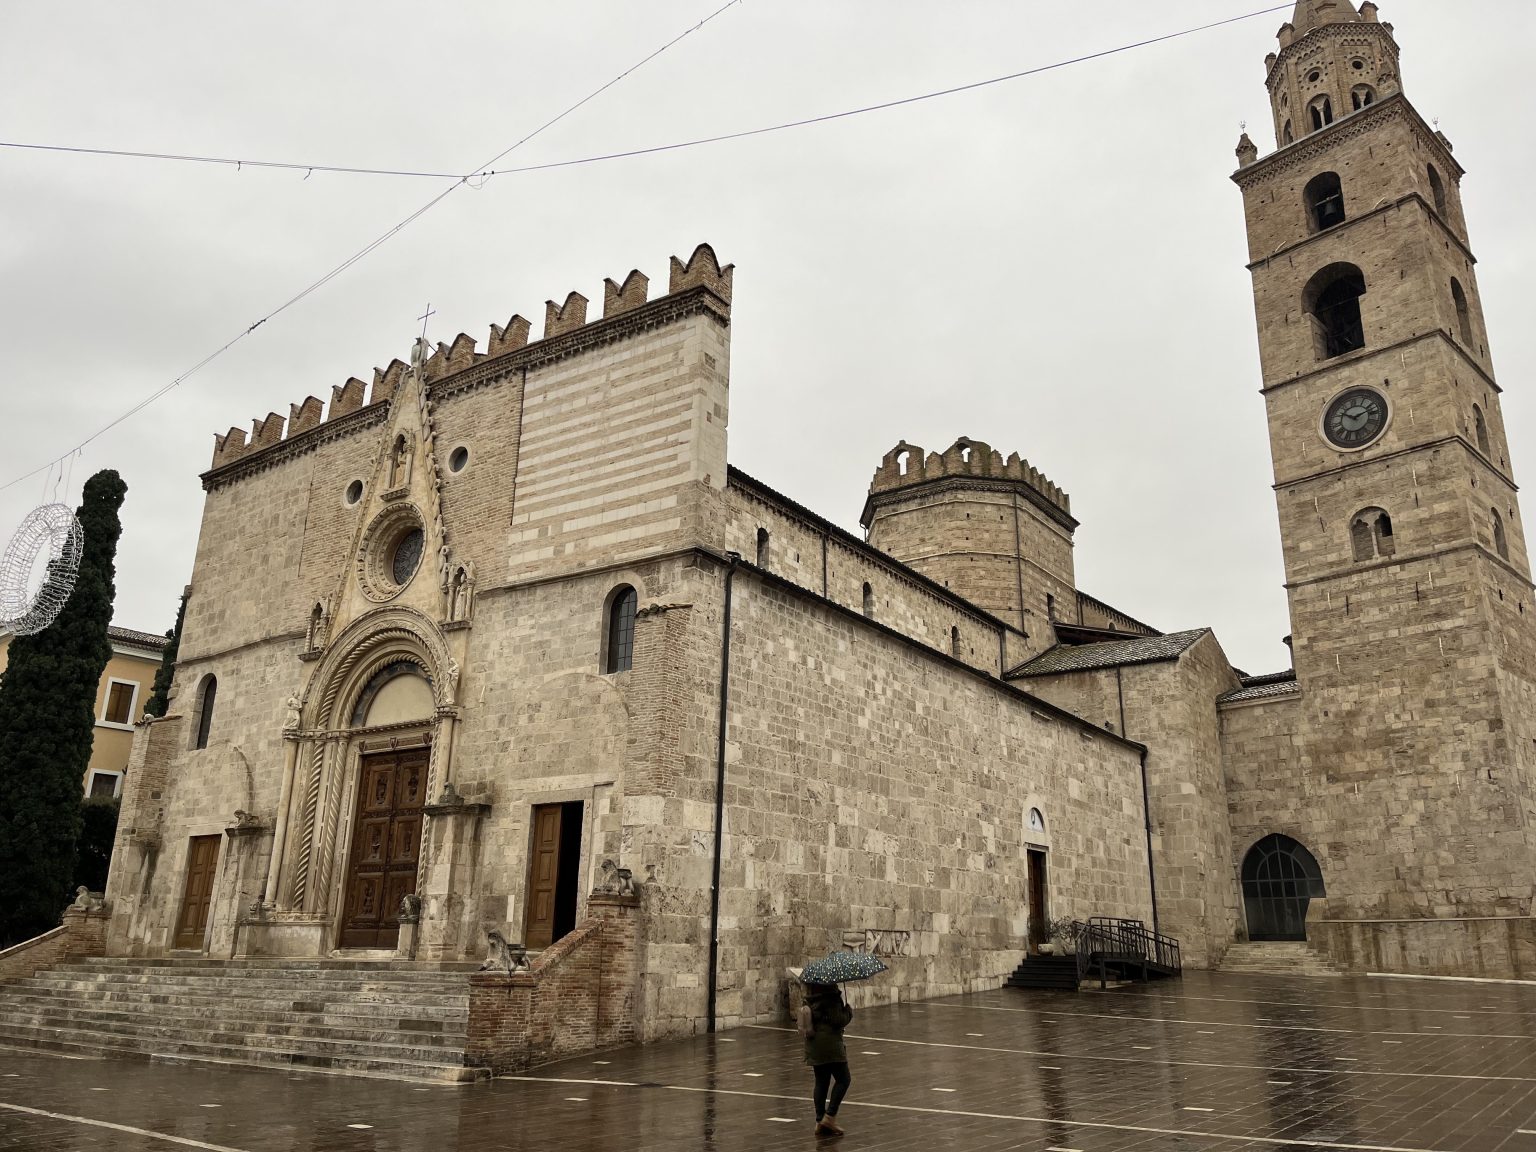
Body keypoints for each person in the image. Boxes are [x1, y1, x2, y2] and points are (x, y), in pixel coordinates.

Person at [802, 982, 854, 1136]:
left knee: (821, 1082)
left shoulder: (810, 997)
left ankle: (819, 1120)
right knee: (844, 1079)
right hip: (831, 1045)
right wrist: (848, 1011)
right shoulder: (831, 998)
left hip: (814, 1045)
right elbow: (838, 1020)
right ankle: (830, 1116)